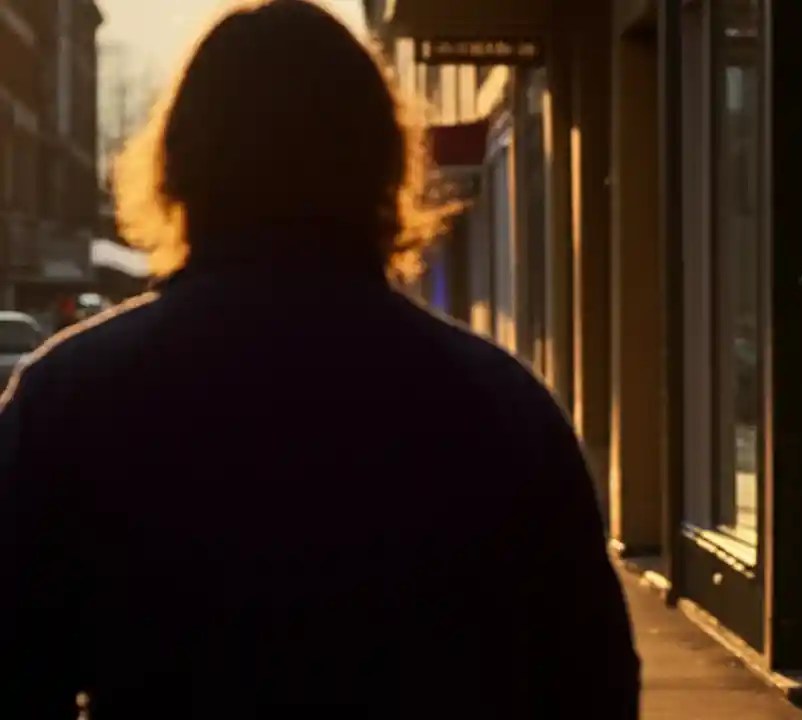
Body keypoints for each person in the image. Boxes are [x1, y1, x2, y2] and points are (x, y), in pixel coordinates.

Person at [0, 1, 639, 717]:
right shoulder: (502, 408)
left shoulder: (69, 401)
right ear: (384, 167)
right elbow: (590, 682)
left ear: (177, 164)